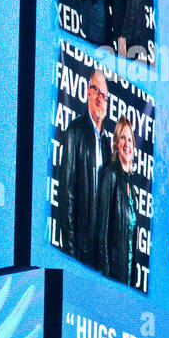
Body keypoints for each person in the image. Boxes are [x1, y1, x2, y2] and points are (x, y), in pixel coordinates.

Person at [58, 69, 111, 267]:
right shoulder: (76, 130)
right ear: (88, 93)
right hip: (79, 248)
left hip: (100, 253)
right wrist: (70, 251)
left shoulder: (107, 145)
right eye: (97, 91)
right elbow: (66, 193)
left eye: (104, 95)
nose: (100, 98)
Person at [94, 116, 140, 287]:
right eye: (123, 138)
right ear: (116, 143)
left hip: (127, 280)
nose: (127, 144)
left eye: (130, 139)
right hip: (111, 277)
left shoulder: (132, 186)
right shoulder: (110, 174)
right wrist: (106, 278)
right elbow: (102, 231)